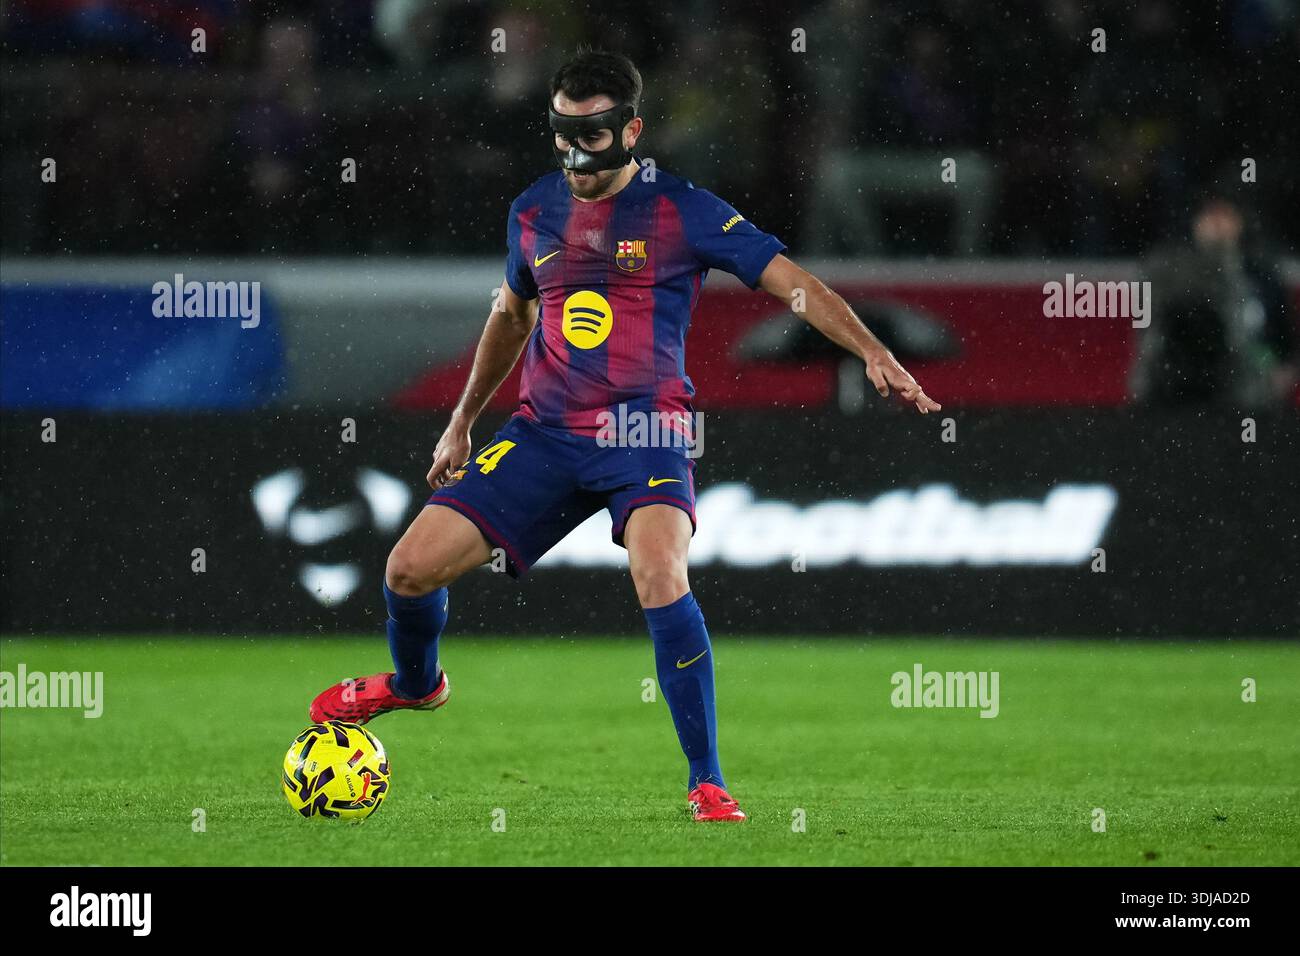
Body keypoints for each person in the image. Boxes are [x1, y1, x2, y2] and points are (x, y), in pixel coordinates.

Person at [308, 50, 940, 823]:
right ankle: (415, 685)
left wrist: (871, 350)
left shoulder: (685, 210)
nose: (575, 153)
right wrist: (462, 419)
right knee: (407, 570)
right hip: (543, 434)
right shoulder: (534, 209)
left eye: (594, 135)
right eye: (563, 134)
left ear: (632, 129)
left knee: (660, 575)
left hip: (645, 432)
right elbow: (512, 316)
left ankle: (706, 780)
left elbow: (794, 283)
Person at [1132, 194, 1297, 407]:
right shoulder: (1170, 272)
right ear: (1195, 223)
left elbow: (1278, 345)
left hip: (1245, 392)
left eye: (1225, 215)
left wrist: (1268, 369)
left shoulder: (1263, 276)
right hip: (1176, 386)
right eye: (1210, 215)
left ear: (1241, 221)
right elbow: (1151, 337)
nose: (1217, 224)